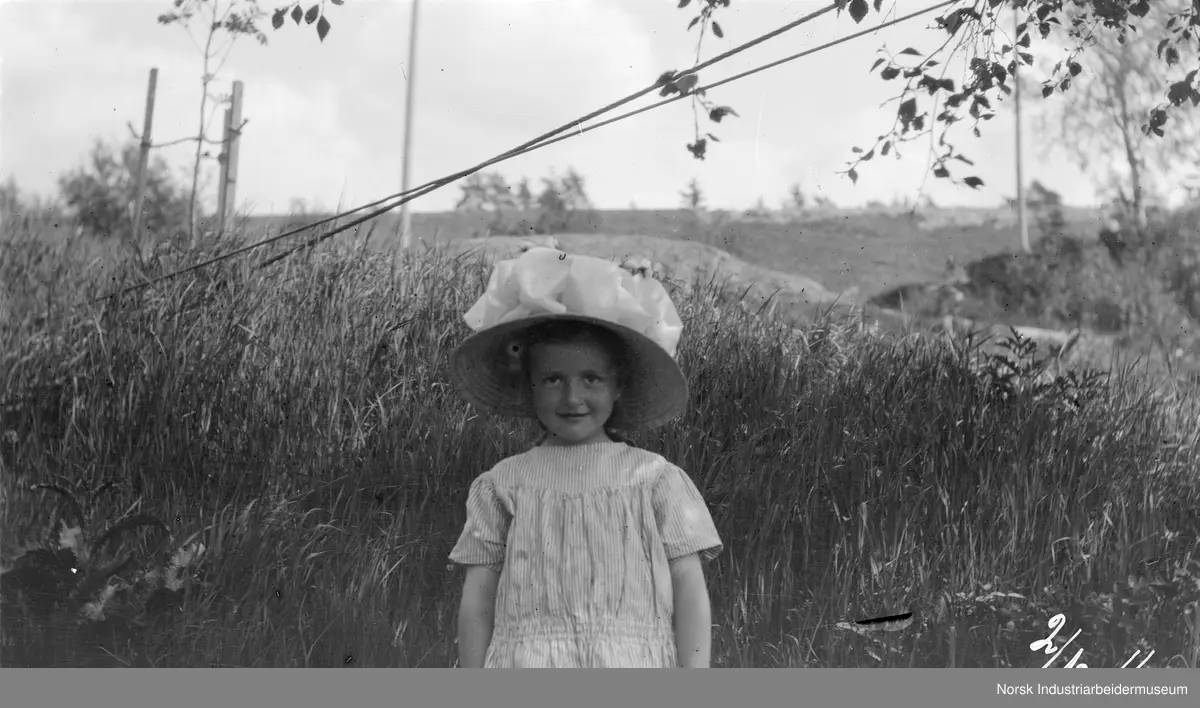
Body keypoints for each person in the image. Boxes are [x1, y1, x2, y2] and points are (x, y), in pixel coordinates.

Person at [447, 247, 723, 668]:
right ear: (529, 388)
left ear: (617, 387)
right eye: (553, 379)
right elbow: (479, 596)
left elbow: (689, 590)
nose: (572, 397)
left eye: (591, 378)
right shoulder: (503, 484)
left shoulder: (655, 479)